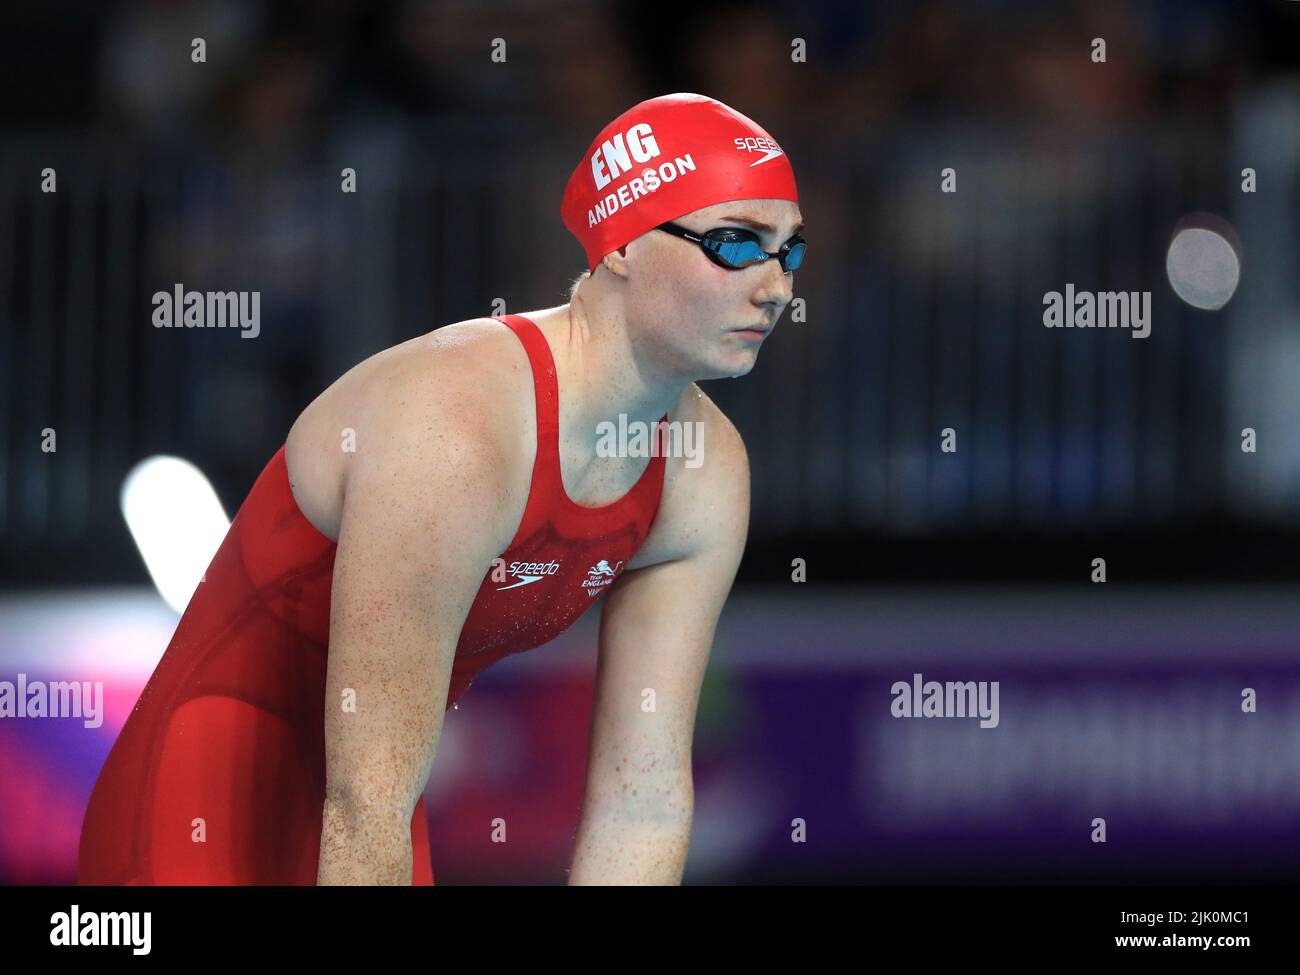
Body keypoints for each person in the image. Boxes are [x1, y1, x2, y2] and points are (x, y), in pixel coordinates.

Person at [77, 92, 805, 885]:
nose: (776, 287)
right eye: (735, 244)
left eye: (790, 252)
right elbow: (365, 802)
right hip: (204, 797)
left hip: (379, 802)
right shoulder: (458, 432)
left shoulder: (703, 470)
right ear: (622, 243)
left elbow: (645, 799)